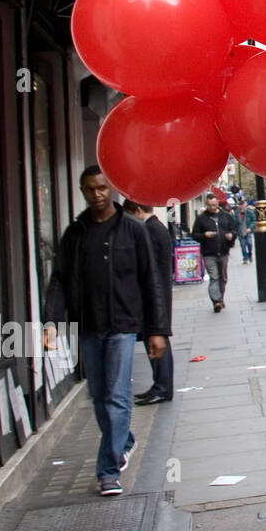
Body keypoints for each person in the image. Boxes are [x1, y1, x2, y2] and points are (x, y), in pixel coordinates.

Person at [43, 167, 168, 496]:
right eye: (89, 189)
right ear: (82, 191)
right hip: (89, 327)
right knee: (99, 397)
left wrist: (157, 330)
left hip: (123, 326)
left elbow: (151, 281)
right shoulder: (76, 233)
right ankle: (123, 439)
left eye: (101, 188)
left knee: (116, 396)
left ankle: (108, 471)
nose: (96, 195)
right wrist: (51, 322)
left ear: (110, 188)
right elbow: (59, 279)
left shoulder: (133, 230)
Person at [124, 200, 175, 404]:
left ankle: (162, 388)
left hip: (154, 297)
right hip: (158, 294)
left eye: (129, 215)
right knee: (154, 340)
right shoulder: (156, 227)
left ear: (137, 211)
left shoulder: (150, 230)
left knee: (156, 341)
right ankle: (159, 385)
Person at [192, 194, 238, 312]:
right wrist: (204, 235)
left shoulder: (226, 216)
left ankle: (220, 299)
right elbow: (194, 234)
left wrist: (231, 235)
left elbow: (234, 230)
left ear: (218, 204)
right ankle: (216, 301)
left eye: (215, 205)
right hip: (208, 253)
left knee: (223, 278)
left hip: (223, 252)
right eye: (210, 205)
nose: (213, 207)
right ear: (206, 205)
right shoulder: (201, 218)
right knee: (214, 277)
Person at [237, 196, 255, 264]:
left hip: (248, 231)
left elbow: (253, 220)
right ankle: (245, 258)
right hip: (240, 232)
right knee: (243, 246)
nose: (241, 206)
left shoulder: (249, 212)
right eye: (240, 205)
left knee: (249, 244)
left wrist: (250, 228)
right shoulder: (237, 213)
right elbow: (234, 221)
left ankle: (250, 254)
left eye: (242, 205)